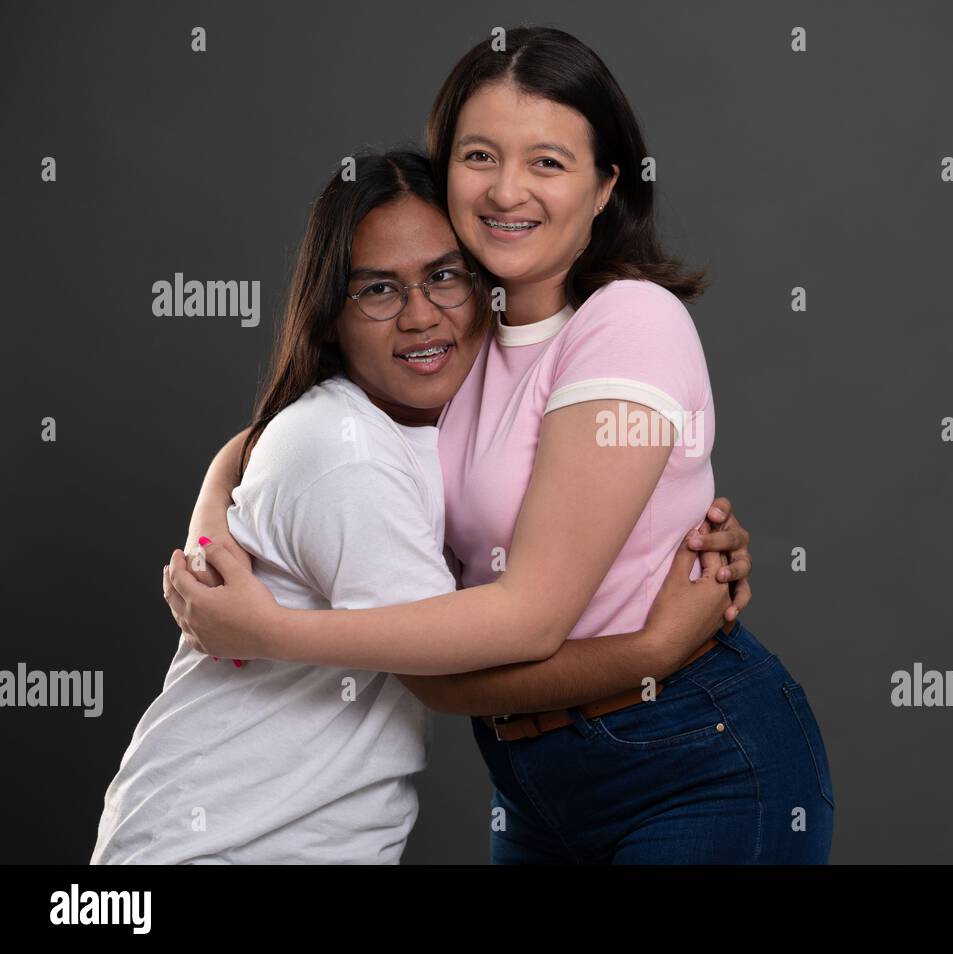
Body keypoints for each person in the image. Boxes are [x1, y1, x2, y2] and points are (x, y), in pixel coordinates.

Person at [166, 26, 832, 863]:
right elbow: (299, 432)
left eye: (548, 162)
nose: (507, 189)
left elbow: (528, 618)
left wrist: (268, 632)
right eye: (480, 155)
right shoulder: (458, 337)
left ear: (604, 188)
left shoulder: (628, 320)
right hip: (533, 782)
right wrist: (209, 524)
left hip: (691, 753)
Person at [94, 151, 733, 864]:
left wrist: (685, 522)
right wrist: (655, 651)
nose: (420, 316)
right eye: (377, 290)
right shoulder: (347, 453)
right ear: (330, 314)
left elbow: (251, 445)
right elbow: (447, 677)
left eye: (443, 276)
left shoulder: (436, 426)